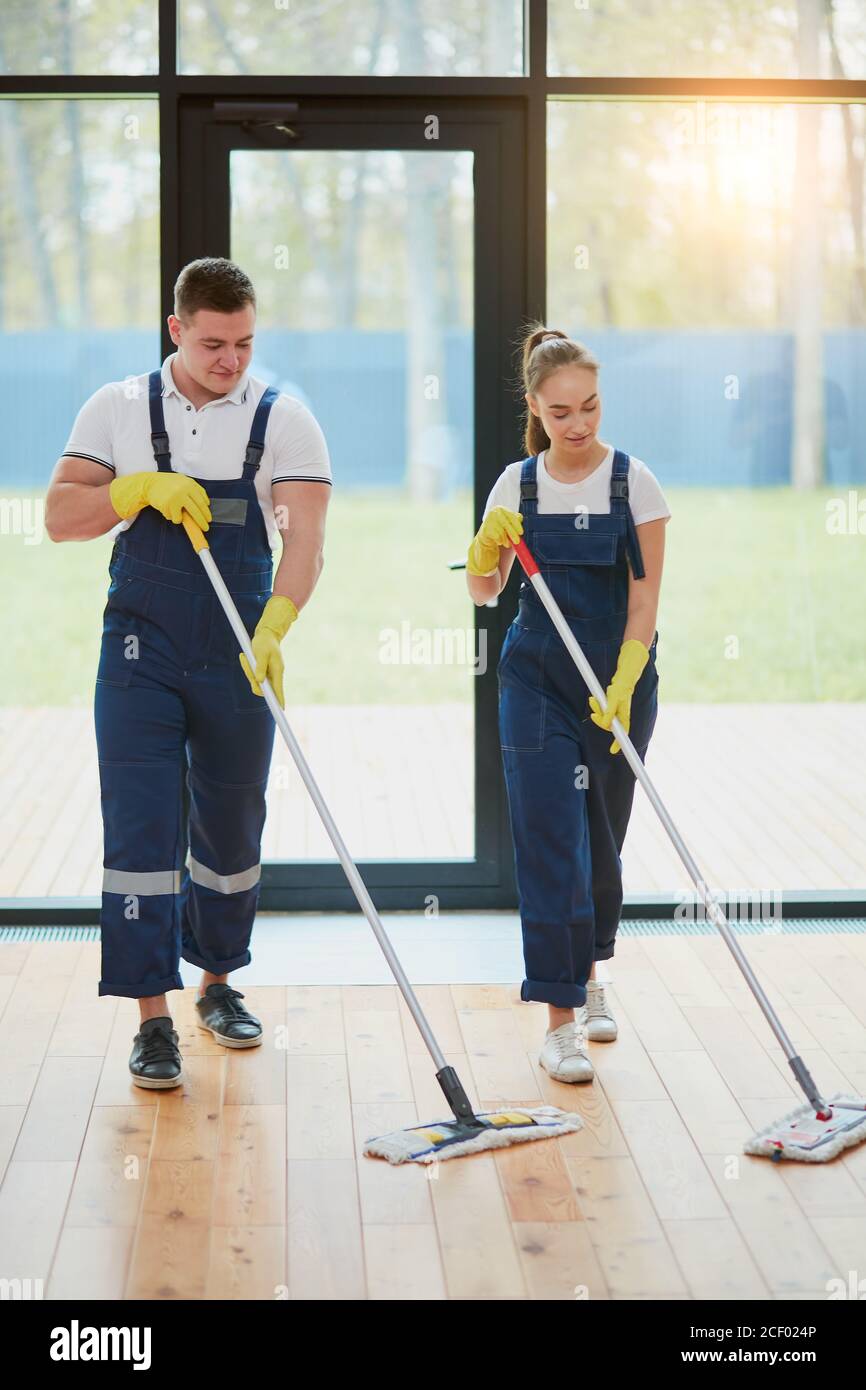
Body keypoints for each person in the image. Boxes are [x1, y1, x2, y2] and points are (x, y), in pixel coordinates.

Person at [45, 257, 332, 1089]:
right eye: (213, 343)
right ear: (176, 329)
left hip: (242, 651)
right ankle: (151, 1017)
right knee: (140, 828)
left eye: (244, 343)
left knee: (232, 826)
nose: (230, 361)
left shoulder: (285, 421)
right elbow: (61, 517)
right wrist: (133, 489)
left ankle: (218, 982)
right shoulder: (118, 408)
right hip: (139, 653)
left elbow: (304, 541)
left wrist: (277, 624)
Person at [465, 325, 670, 1083]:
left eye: (590, 407)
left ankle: (592, 973)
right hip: (536, 680)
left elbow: (645, 598)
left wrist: (624, 677)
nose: (579, 426)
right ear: (535, 409)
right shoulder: (516, 486)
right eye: (561, 414)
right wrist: (486, 551)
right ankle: (559, 1023)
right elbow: (484, 592)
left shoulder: (634, 482)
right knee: (551, 837)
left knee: (600, 835)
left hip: (620, 678)